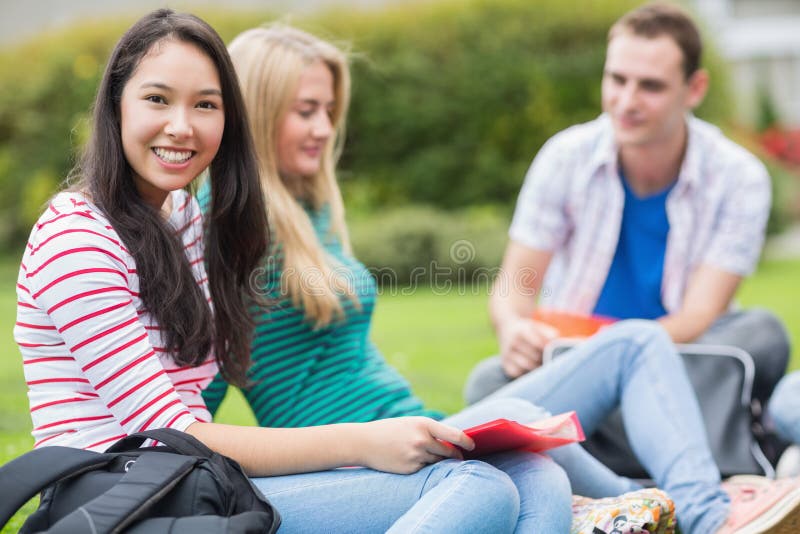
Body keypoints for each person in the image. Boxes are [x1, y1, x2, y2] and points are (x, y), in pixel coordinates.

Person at [199, 22, 800, 533]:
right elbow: (191, 393)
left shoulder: (305, 209)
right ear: (260, 110)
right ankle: (694, 513)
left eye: (330, 110)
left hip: (408, 420)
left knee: (535, 462)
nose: (326, 129)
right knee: (614, 357)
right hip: (356, 453)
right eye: (307, 112)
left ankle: (638, 508)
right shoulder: (224, 227)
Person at [13, 9, 584, 533]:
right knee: (478, 487)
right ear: (115, 105)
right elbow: (175, 433)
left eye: (205, 105)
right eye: (158, 99)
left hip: (201, 481)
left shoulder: (183, 215)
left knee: (534, 474)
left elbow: (198, 398)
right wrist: (361, 442)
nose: (182, 126)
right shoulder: (76, 238)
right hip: (127, 499)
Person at [462, 2, 790, 414]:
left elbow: (697, 317)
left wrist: (608, 358)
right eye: (617, 79)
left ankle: (588, 435)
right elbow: (516, 287)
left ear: (695, 89)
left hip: (677, 355)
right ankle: (672, 431)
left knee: (762, 334)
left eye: (650, 86)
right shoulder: (564, 158)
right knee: (487, 382)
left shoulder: (739, 177)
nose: (626, 101)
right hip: (575, 357)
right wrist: (513, 328)